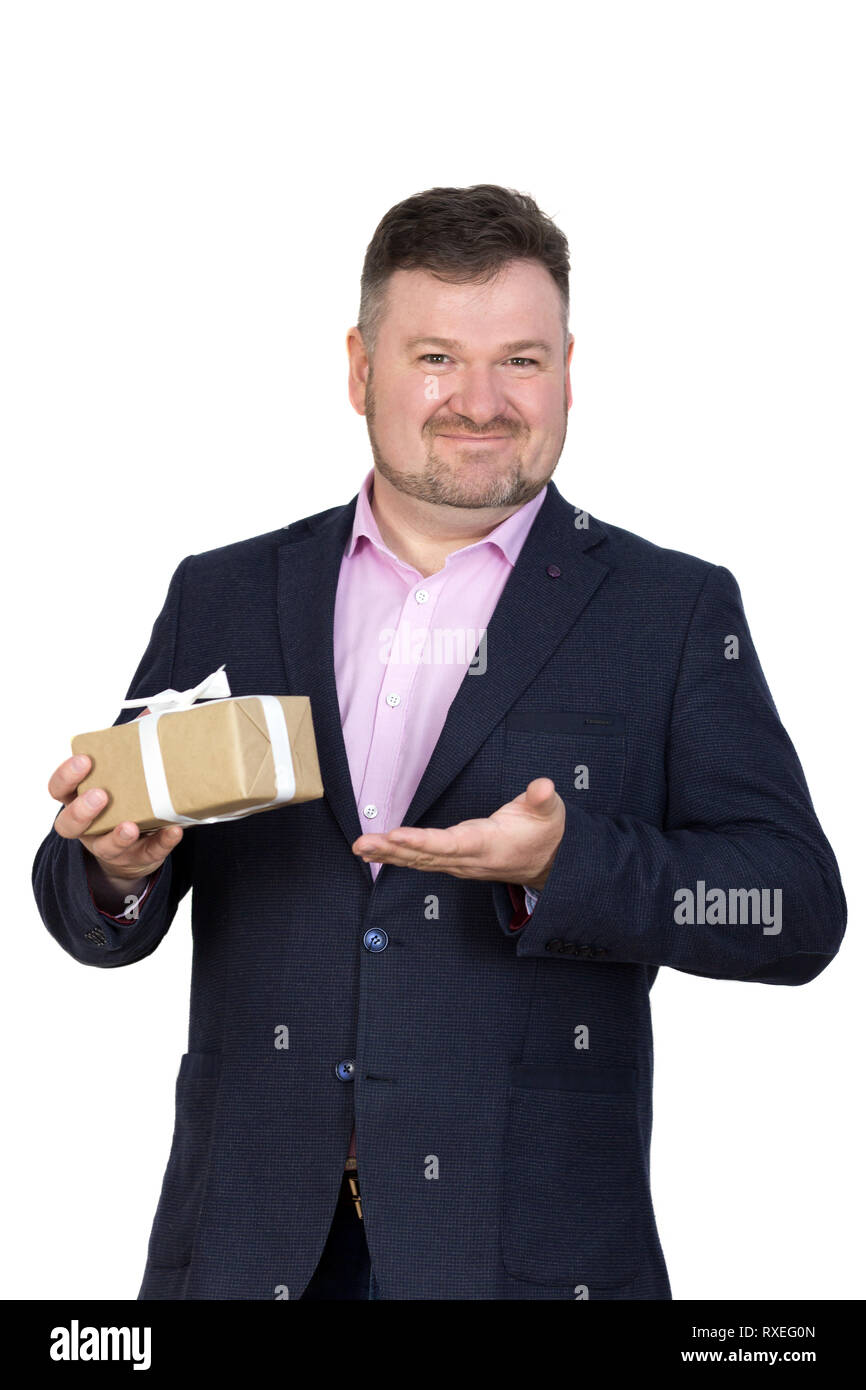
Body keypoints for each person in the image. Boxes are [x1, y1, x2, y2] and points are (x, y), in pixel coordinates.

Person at [33, 184, 846, 1301]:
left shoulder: (668, 613)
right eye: (433, 358)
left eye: (519, 358)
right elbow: (95, 901)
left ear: (568, 368)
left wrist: (570, 864)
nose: (480, 401)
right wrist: (114, 866)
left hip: (524, 1257)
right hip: (244, 1252)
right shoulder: (222, 594)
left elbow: (790, 908)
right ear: (361, 369)